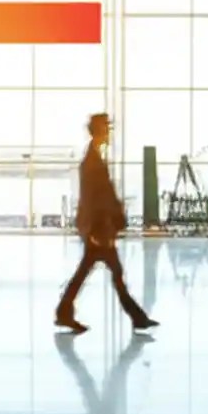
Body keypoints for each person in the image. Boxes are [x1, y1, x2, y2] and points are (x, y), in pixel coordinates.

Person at [55, 113, 158, 334]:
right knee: (107, 274)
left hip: (100, 228)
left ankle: (65, 313)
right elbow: (93, 198)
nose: (109, 132)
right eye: (106, 128)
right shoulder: (92, 161)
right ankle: (136, 318)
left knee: (102, 273)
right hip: (99, 230)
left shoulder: (94, 157)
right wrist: (95, 229)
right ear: (98, 131)